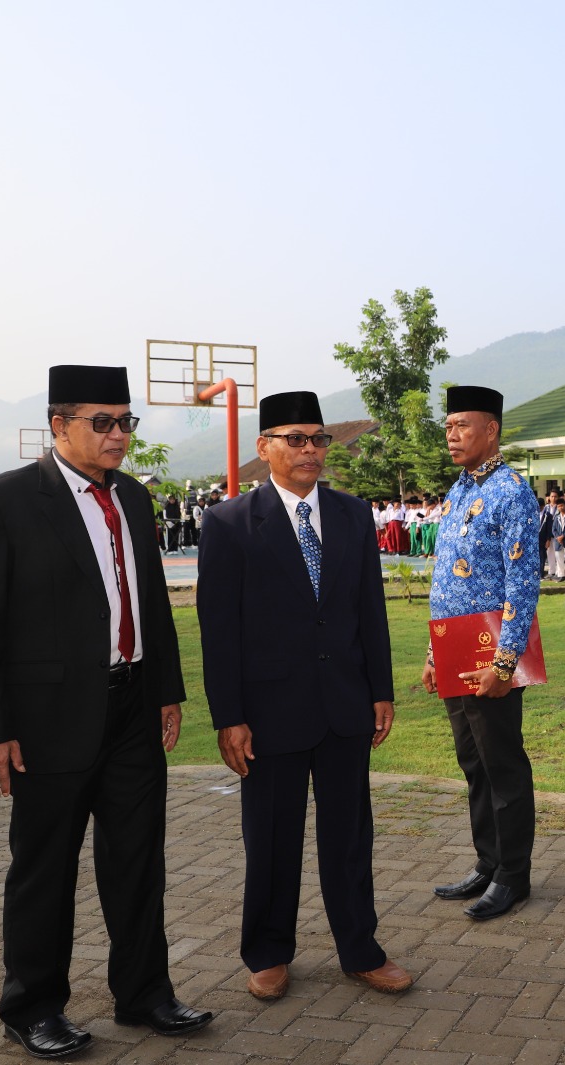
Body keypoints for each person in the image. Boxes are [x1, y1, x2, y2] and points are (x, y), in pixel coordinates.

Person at [0, 365, 211, 1059]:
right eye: (103, 422)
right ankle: (32, 1006)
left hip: (131, 707)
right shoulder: (3, 501)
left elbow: (152, 604)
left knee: (137, 860)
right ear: (58, 424)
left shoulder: (132, 497)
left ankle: (145, 993)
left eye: (126, 421)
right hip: (45, 721)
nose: (119, 435)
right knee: (44, 869)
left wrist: (166, 689)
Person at [198, 391, 410, 1001]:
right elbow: (220, 631)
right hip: (269, 713)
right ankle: (268, 951)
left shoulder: (350, 514)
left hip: (344, 703)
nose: (310, 449)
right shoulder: (229, 522)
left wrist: (380, 690)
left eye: (318, 438)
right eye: (295, 438)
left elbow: (369, 609)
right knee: (270, 838)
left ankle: (360, 949)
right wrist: (230, 717)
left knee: (349, 838)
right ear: (264, 447)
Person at [421, 386, 542, 921]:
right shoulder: (459, 488)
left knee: (502, 764)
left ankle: (514, 876)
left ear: (490, 430)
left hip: (490, 649)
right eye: (447, 426)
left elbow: (523, 583)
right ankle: (488, 862)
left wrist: (505, 663)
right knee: (473, 761)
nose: (451, 435)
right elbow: (445, 578)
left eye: (461, 425)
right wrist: (431, 651)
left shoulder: (512, 490)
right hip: (452, 645)